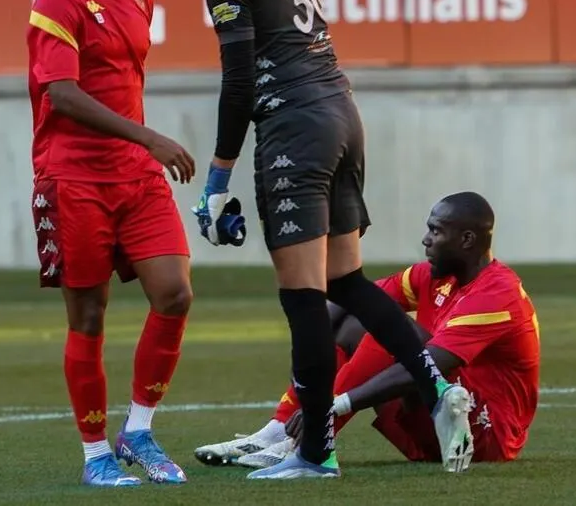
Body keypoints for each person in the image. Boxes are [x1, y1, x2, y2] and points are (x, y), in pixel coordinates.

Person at [167, 0, 474, 479]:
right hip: (341, 110)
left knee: (303, 296)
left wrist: (219, 177)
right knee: (347, 285)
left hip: (294, 131)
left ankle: (315, 453)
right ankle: (440, 390)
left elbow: (239, 80)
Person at [27, 0, 197, 488]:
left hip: (135, 176)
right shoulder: (57, 2)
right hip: (73, 178)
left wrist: (142, 148)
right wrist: (149, 136)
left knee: (175, 293)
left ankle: (141, 429)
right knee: (90, 319)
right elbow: (64, 95)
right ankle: (96, 453)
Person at [194, 193, 540, 472]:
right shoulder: (433, 276)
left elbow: (430, 363)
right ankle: (277, 433)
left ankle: (314, 441)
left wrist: (333, 405)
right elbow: (350, 301)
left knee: (388, 329)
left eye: (436, 231)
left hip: (483, 434)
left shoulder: (499, 292)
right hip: (435, 418)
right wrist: (308, 358)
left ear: (466, 239)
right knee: (357, 319)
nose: (426, 239)